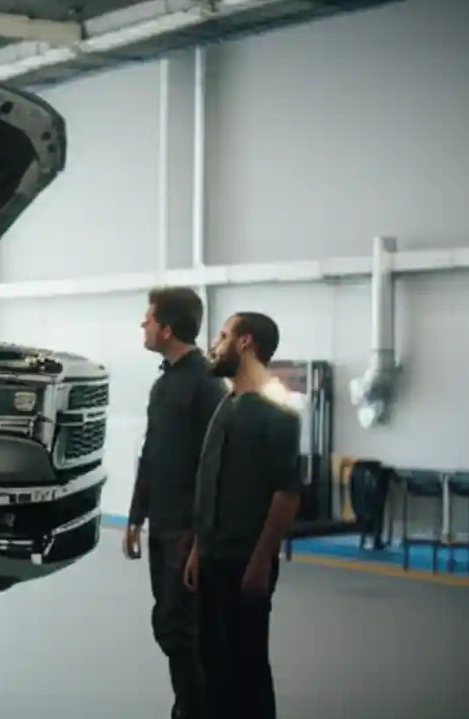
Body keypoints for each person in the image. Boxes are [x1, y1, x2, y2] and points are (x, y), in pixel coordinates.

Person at [183, 311, 303, 719]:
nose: (214, 345)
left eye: (222, 336)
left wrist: (259, 563)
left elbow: (286, 493)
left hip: (243, 560)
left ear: (245, 342)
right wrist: (199, 549)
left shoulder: (276, 412)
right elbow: (210, 480)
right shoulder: (225, 404)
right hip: (213, 556)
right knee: (211, 664)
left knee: (247, 667)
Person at [125, 287, 228, 719]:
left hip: (188, 529)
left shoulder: (207, 384)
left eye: (148, 319)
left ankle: (194, 711)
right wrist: (135, 517)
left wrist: (201, 540)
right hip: (161, 526)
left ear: (167, 329)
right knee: (169, 625)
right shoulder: (163, 383)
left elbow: (216, 468)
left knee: (182, 629)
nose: (142, 326)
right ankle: (188, 707)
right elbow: (151, 455)